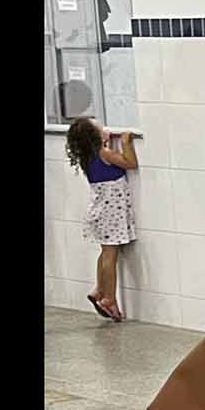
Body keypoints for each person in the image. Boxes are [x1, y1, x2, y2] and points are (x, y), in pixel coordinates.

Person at [67, 117, 139, 321]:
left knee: (104, 253)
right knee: (110, 256)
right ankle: (109, 298)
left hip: (100, 212)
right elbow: (130, 163)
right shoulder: (104, 153)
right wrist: (125, 143)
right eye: (100, 127)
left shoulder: (87, 155)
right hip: (111, 213)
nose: (105, 128)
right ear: (95, 136)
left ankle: (99, 290)